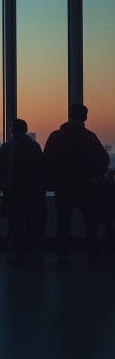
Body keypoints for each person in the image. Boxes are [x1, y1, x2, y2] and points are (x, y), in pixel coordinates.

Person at [44, 104, 110, 264]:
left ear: (69, 115)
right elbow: (104, 160)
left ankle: (63, 254)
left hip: (63, 186)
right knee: (90, 223)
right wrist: (94, 176)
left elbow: (46, 161)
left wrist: (52, 181)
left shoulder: (56, 136)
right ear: (85, 117)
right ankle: (92, 254)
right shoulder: (90, 137)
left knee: (63, 222)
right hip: (86, 186)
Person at [0, 119, 47, 265]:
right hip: (33, 194)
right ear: (26, 130)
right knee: (33, 225)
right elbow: (42, 171)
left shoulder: (7, 148)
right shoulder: (35, 147)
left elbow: (0, 172)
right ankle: (33, 253)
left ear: (12, 131)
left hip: (13, 193)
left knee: (15, 225)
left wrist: (4, 187)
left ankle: (16, 253)